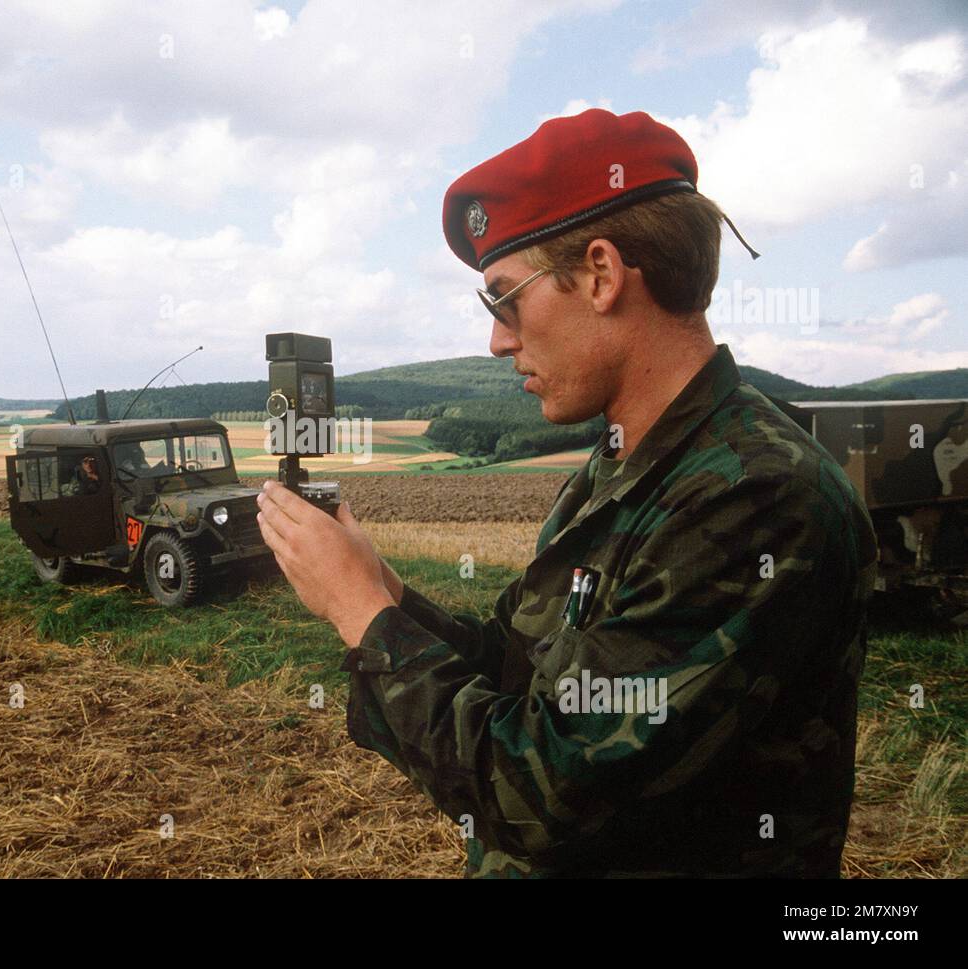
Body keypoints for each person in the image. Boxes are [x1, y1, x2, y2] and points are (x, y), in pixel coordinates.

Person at [255, 108, 879, 878]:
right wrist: (380, 584)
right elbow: (517, 667)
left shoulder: (757, 497)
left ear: (601, 274)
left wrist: (364, 615)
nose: (496, 339)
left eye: (504, 299)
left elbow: (542, 791)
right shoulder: (626, 463)